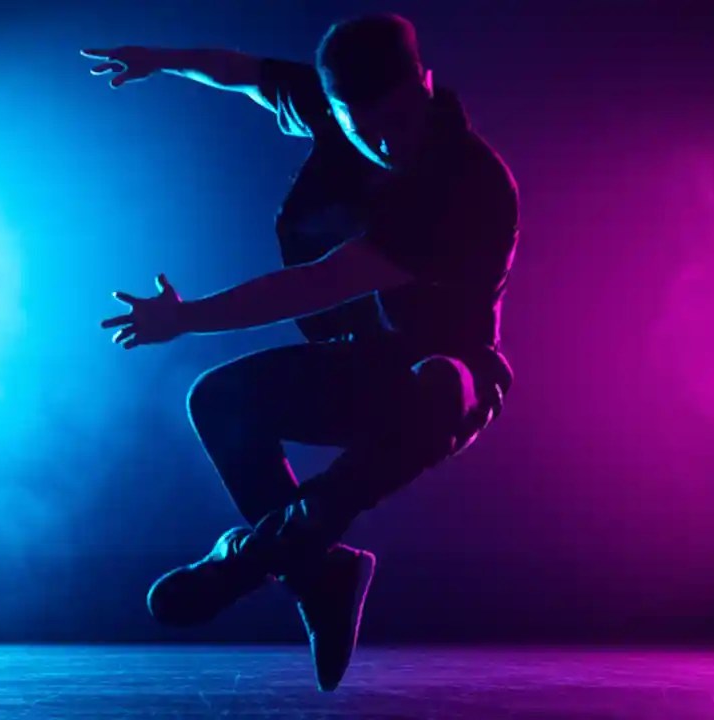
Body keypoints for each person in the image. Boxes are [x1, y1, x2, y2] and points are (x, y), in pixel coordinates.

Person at [84, 13, 518, 692]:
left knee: (436, 381)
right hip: (365, 364)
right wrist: (161, 58)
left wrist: (190, 317)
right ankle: (321, 573)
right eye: (365, 128)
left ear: (425, 85)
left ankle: (256, 552)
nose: (387, 143)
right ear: (333, 108)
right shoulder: (326, 102)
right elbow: (240, 72)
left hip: (456, 379)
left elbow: (321, 283)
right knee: (217, 398)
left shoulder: (468, 183)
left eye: (401, 120)